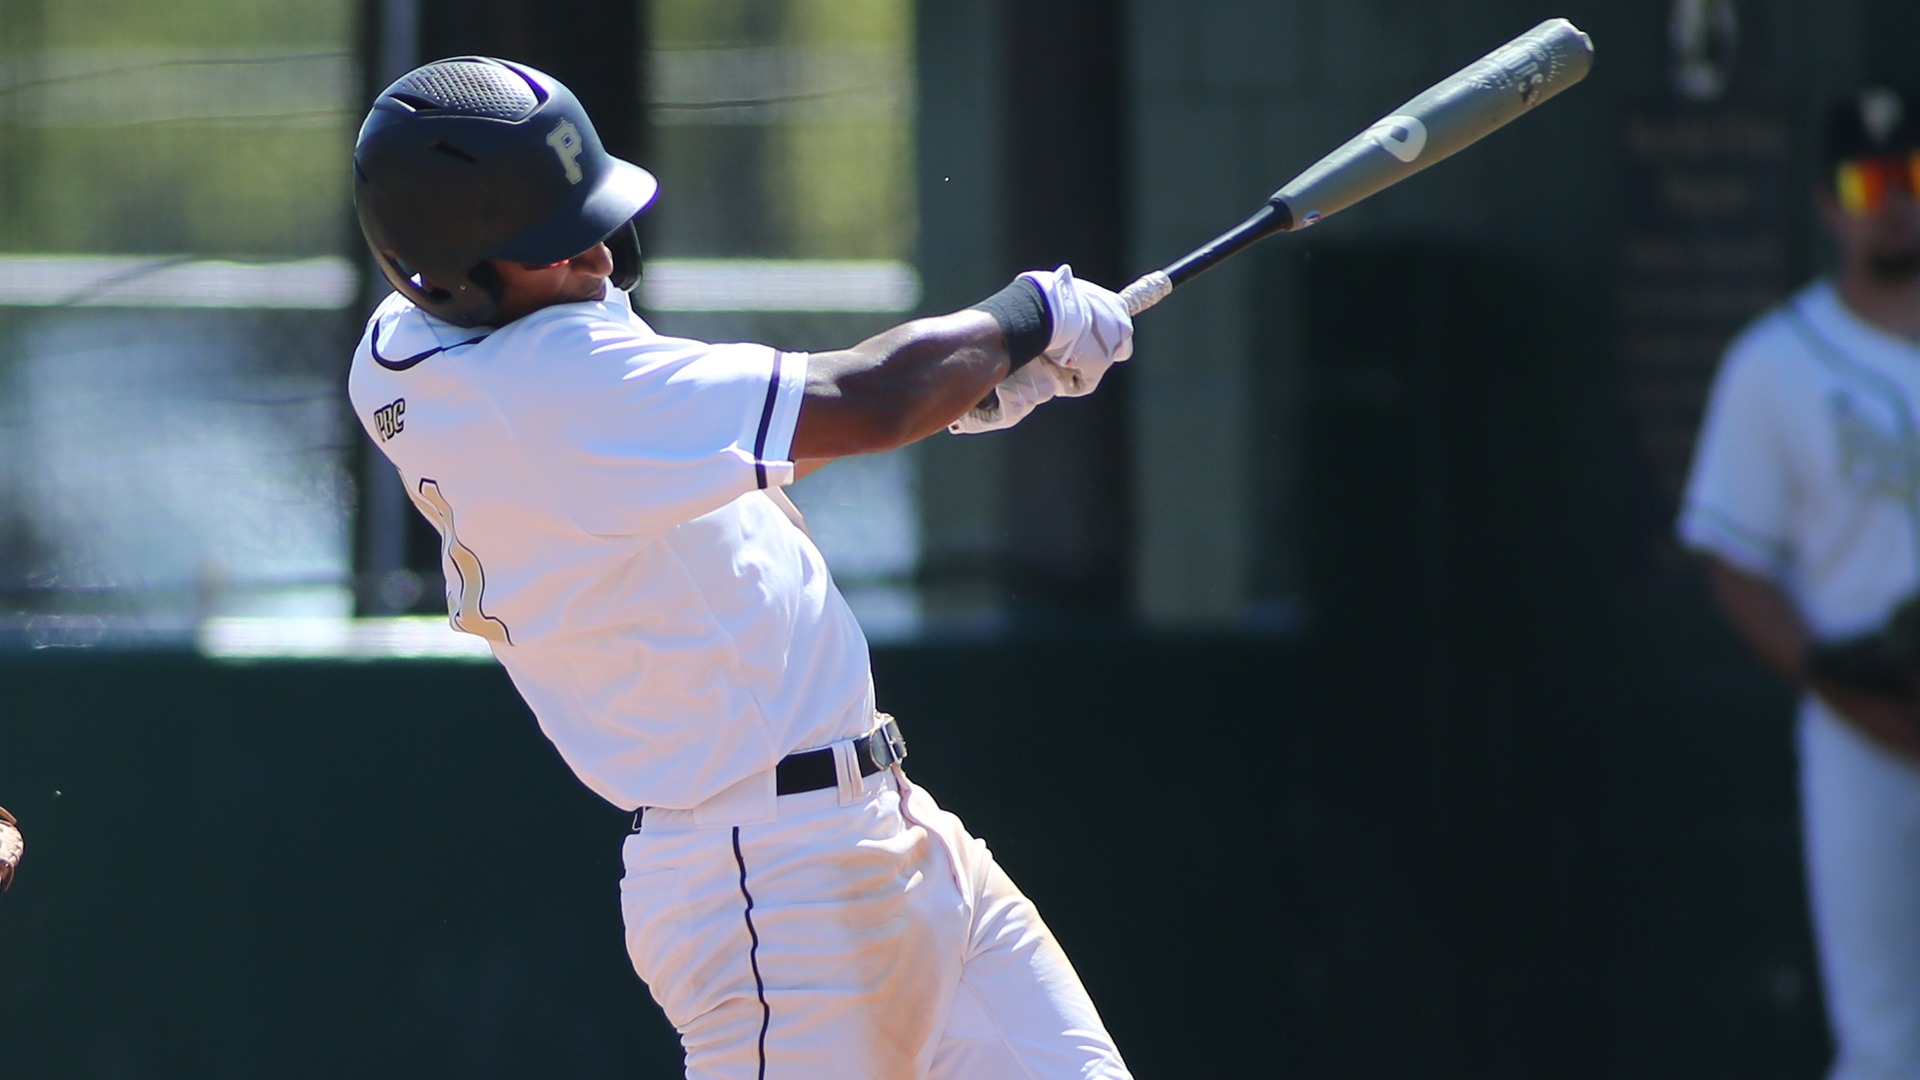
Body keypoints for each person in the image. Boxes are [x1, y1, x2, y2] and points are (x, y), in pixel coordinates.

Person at [346, 57, 1136, 1080]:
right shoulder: (541, 384)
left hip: (887, 832)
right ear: (447, 273)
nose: (595, 255)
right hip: (774, 884)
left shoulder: (427, 341)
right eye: (552, 242)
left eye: (590, 220)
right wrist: (1025, 318)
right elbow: (871, 398)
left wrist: (967, 385)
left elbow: (722, 454)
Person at [1680, 86, 1920, 1080]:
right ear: (1830, 204)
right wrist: (1842, 686)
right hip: (1864, 717)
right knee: (1885, 1038)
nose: (1895, 201)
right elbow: (1737, 567)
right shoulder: (1775, 362)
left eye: (1912, 176)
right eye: (1870, 181)